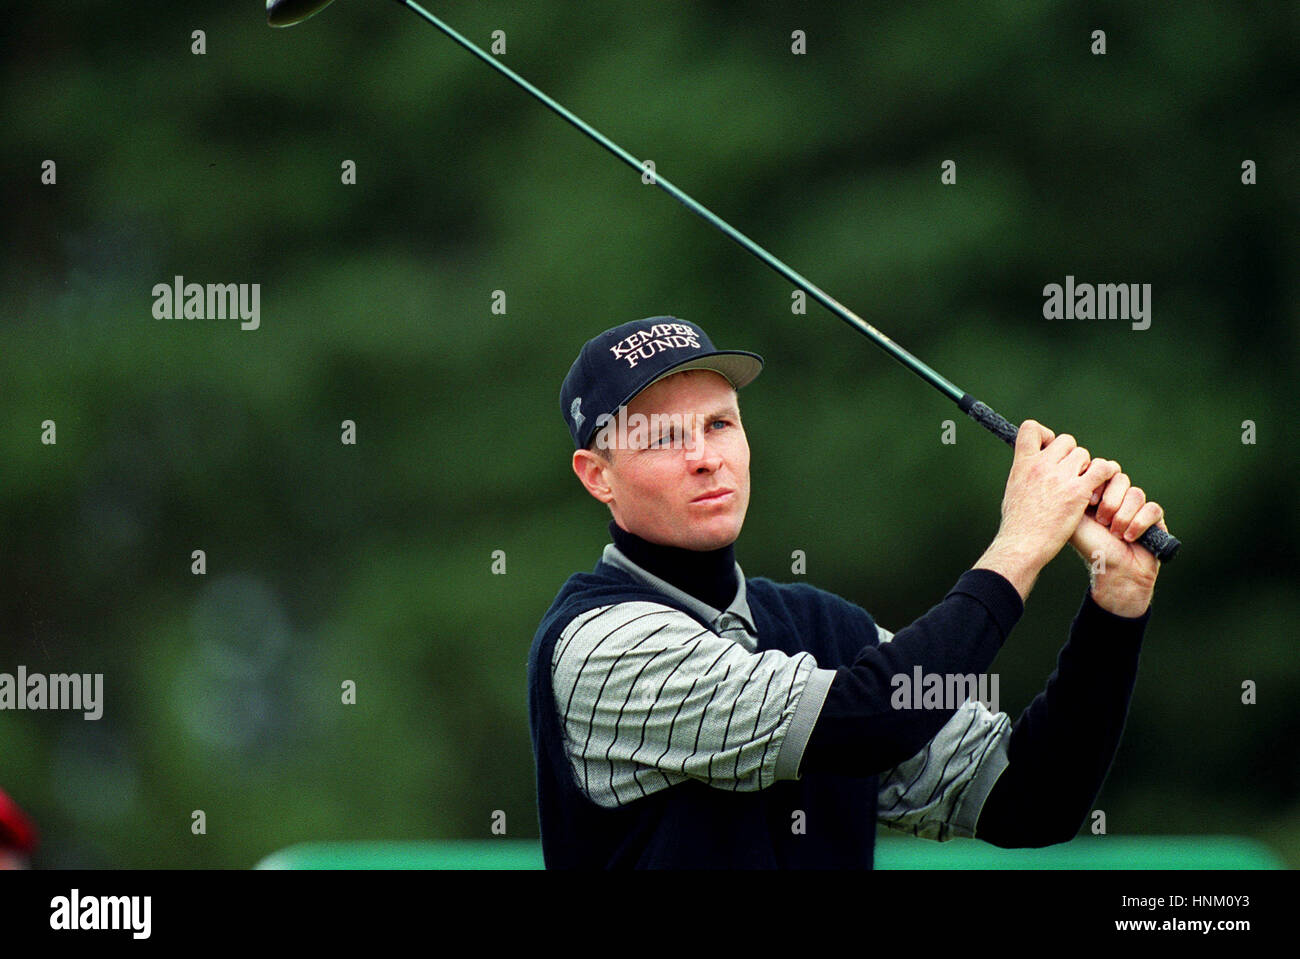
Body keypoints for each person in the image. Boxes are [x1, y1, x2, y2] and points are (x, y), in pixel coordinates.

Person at [528, 315, 1168, 868]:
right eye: (664, 437)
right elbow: (868, 722)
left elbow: (1030, 804)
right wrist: (1021, 546)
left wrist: (1116, 605)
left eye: (720, 424)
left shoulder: (829, 628)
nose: (705, 457)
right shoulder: (599, 642)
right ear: (598, 476)